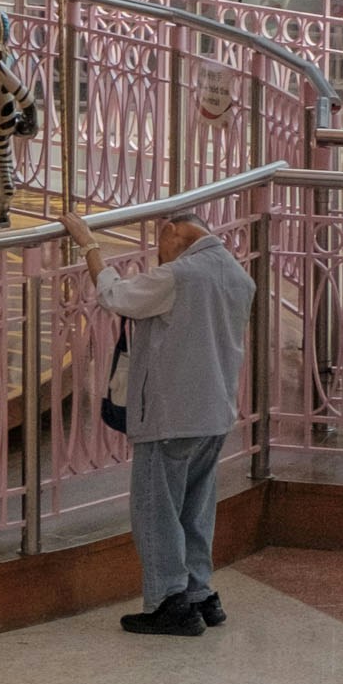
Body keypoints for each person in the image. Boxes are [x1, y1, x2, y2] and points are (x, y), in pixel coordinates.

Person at [98, 213, 255, 637]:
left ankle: (169, 602)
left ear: (172, 231)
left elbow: (116, 296)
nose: (159, 256)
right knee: (196, 509)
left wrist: (90, 249)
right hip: (215, 414)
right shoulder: (238, 276)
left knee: (156, 510)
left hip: (171, 414)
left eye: (160, 245)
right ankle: (200, 593)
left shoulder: (179, 275)